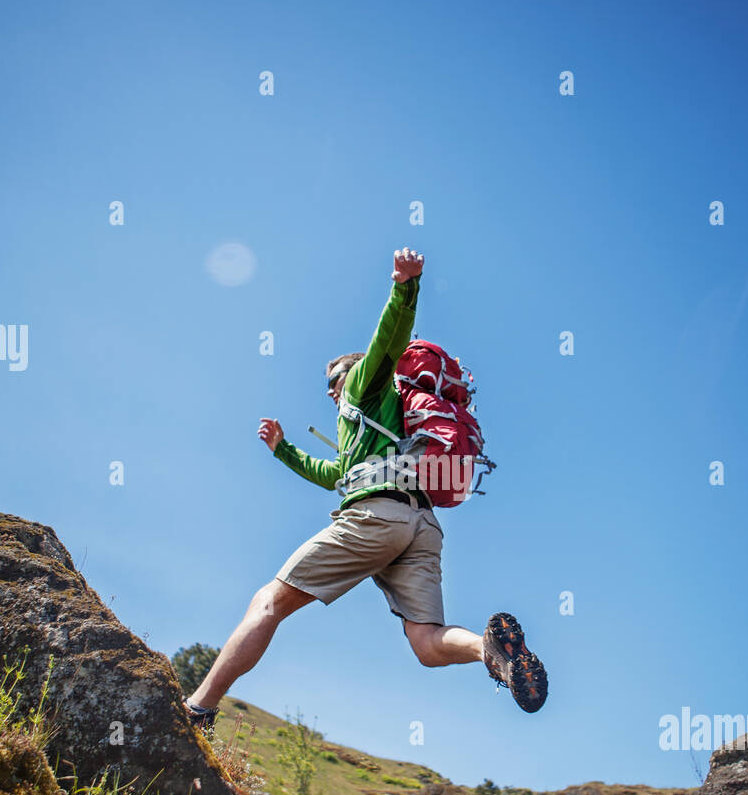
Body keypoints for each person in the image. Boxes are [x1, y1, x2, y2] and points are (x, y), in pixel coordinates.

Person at [185, 247, 547, 728]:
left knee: (268, 602)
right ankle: (492, 652)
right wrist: (284, 451)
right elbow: (337, 474)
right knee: (426, 641)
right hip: (421, 525)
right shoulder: (384, 428)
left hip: (378, 518)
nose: (332, 394)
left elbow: (387, 339)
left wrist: (405, 285)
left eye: (331, 384)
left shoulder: (365, 385)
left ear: (348, 374)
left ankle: (198, 707)